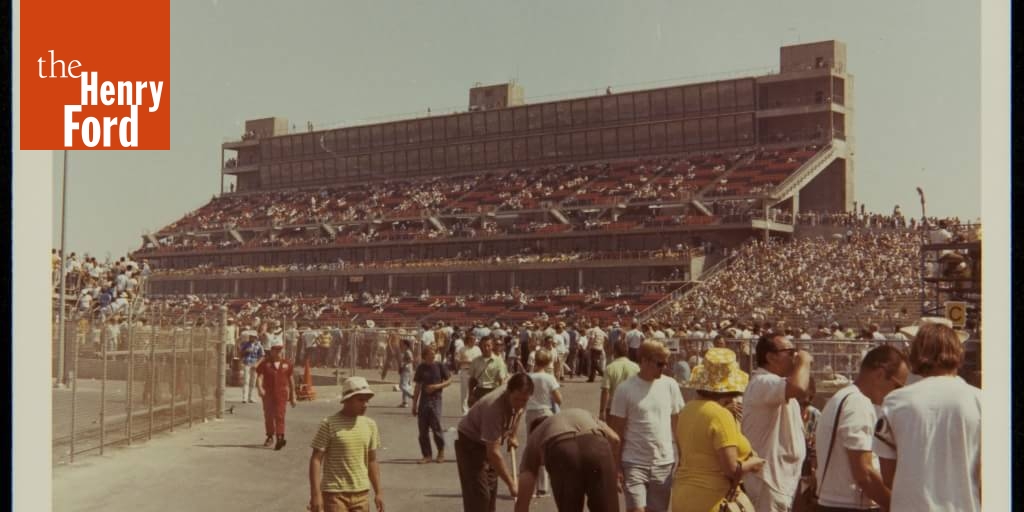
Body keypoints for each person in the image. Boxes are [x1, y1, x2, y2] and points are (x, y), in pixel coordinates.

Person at [873, 321, 980, 512]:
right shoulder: (980, 400)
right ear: (958, 351)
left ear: (915, 354)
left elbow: (888, 475)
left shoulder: (895, 402)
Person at [813, 345, 909, 511]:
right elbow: (864, 474)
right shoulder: (858, 403)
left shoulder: (844, 397)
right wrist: (897, 506)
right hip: (848, 506)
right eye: (897, 386)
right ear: (879, 374)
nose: (897, 393)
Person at [673, 347, 765, 512]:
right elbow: (731, 470)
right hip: (712, 500)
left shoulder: (687, 410)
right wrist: (753, 463)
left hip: (682, 495)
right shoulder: (720, 415)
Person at [608, 341, 685, 512]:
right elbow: (616, 432)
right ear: (643, 361)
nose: (664, 367)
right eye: (660, 363)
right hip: (634, 462)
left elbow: (677, 425)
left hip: (663, 462)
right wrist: (616, 466)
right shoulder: (625, 389)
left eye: (666, 363)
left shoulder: (670, 385)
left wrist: (683, 456)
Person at [741, 334, 813, 511]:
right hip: (769, 480)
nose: (794, 357)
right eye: (790, 352)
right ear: (771, 357)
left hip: (782, 478)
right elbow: (799, 387)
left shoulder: (776, 384)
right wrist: (804, 361)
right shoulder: (763, 381)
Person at [515, 408, 622, 512]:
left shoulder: (534, 437)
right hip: (597, 445)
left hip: (563, 451)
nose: (543, 465)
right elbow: (615, 439)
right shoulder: (583, 413)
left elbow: (522, 501)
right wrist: (613, 474)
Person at [455, 373, 534, 512]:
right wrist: (512, 484)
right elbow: (493, 453)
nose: (520, 403)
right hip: (470, 442)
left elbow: (519, 411)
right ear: (509, 392)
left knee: (491, 491)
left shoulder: (520, 398)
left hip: (486, 439)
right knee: (480, 496)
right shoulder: (493, 407)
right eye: (517, 399)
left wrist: (513, 435)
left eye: (524, 400)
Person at [309, 377, 384, 512]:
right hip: (334, 494)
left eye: (367, 400)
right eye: (360, 400)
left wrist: (378, 492)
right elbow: (316, 460)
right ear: (347, 400)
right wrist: (315, 495)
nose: (365, 404)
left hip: (361, 493)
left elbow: (372, 460)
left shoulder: (370, 425)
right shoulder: (329, 423)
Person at [524, 350, 563, 497]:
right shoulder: (549, 378)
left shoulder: (528, 377)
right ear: (547, 363)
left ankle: (533, 487)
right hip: (545, 413)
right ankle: (544, 485)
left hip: (531, 413)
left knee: (532, 448)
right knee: (545, 448)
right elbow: (559, 399)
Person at [412, 345, 453, 464]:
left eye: (434, 354)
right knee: (423, 430)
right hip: (424, 401)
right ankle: (427, 455)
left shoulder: (440, 366)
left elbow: (449, 380)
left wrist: (436, 386)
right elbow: (417, 387)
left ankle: (441, 452)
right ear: (425, 356)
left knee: (436, 427)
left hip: (436, 400)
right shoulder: (421, 368)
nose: (432, 356)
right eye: (430, 354)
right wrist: (414, 405)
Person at [255, 344, 296, 450]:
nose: (278, 353)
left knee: (280, 415)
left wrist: (293, 396)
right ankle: (269, 436)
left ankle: (280, 436)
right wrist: (260, 388)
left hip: (281, 394)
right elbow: (260, 377)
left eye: (280, 351)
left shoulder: (287, 364)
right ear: (271, 351)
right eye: (276, 350)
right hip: (268, 394)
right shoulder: (265, 363)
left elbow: (291, 381)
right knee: (268, 416)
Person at [599, 339, 639, 421]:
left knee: (613, 432)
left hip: (613, 407)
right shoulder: (636, 367)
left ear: (615, 351)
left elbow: (605, 391)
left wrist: (602, 411)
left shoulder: (610, 367)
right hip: (631, 406)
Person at [468, 336, 509, 407]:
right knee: (478, 416)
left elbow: (501, 381)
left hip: (492, 391)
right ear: (480, 346)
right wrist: (470, 395)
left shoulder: (499, 361)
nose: (486, 348)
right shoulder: (475, 361)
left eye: (488, 345)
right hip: (479, 391)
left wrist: (502, 397)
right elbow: (472, 380)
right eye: (484, 346)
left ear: (492, 346)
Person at [456, 334, 481, 415]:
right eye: (472, 340)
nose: (473, 342)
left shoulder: (477, 349)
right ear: (468, 340)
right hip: (465, 371)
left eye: (474, 340)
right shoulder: (462, 349)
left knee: (475, 391)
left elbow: (480, 359)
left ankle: (473, 409)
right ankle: (464, 410)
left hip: (476, 372)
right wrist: (466, 361)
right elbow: (457, 360)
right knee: (465, 391)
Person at [239, 331, 264, 404]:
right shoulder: (245, 344)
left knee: (253, 381)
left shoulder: (258, 345)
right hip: (247, 363)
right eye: (251, 336)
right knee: (246, 380)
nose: (251, 338)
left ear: (256, 337)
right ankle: (244, 397)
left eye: (253, 337)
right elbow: (240, 353)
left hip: (254, 364)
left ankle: (251, 397)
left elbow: (262, 356)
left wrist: (257, 364)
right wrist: (245, 351)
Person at [397, 338, 415, 408]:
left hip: (406, 370)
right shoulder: (405, 351)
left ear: (406, 344)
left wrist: (404, 365)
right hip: (405, 369)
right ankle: (405, 402)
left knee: (402, 386)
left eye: (402, 343)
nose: (401, 344)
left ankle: (412, 396)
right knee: (405, 386)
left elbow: (411, 359)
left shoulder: (408, 351)